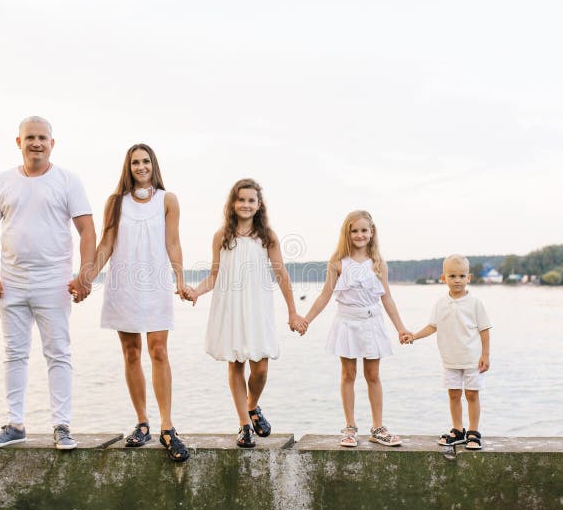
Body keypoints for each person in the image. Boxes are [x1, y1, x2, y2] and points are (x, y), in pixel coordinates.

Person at [0, 116, 96, 450]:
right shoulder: (2, 181)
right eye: (30, 137)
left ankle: (61, 426)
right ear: (19, 142)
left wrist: (84, 275)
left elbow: (87, 230)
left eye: (42, 137)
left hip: (54, 282)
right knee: (14, 353)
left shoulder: (68, 181)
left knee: (58, 353)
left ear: (52, 143)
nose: (36, 143)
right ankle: (15, 425)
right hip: (11, 282)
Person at [78, 143, 191, 462]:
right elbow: (106, 244)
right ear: (127, 168)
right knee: (131, 352)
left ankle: (167, 426)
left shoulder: (168, 200)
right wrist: (86, 276)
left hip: (155, 283)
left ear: (153, 165)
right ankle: (142, 423)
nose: (140, 167)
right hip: (123, 284)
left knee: (158, 350)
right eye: (134, 163)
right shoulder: (116, 202)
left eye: (145, 161)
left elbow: (173, 243)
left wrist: (180, 279)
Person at [187, 179, 307, 448]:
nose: (246, 204)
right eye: (241, 200)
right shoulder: (222, 236)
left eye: (251, 200)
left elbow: (281, 274)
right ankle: (244, 424)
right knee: (236, 363)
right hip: (231, 306)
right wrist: (196, 292)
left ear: (259, 205)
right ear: (233, 203)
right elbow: (215, 275)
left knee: (261, 368)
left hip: (258, 307)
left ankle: (252, 406)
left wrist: (293, 312)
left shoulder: (267, 236)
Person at [302, 210, 409, 448]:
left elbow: (387, 299)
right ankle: (350, 428)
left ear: (371, 233)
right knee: (348, 375)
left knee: (373, 375)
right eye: (355, 231)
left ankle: (378, 428)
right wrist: (306, 319)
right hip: (347, 323)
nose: (359, 235)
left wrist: (401, 328)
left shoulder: (378, 264)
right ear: (347, 234)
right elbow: (324, 296)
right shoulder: (338, 264)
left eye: (364, 230)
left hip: (373, 323)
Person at [403, 254, 492, 450]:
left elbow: (484, 329)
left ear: (469, 278)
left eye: (461, 276)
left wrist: (485, 355)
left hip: (472, 360)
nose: (457, 280)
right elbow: (432, 326)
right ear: (444, 278)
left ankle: (473, 432)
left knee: (471, 394)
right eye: (452, 276)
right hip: (450, 359)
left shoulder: (475, 303)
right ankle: (458, 430)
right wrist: (414, 336)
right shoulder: (441, 304)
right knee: (453, 395)